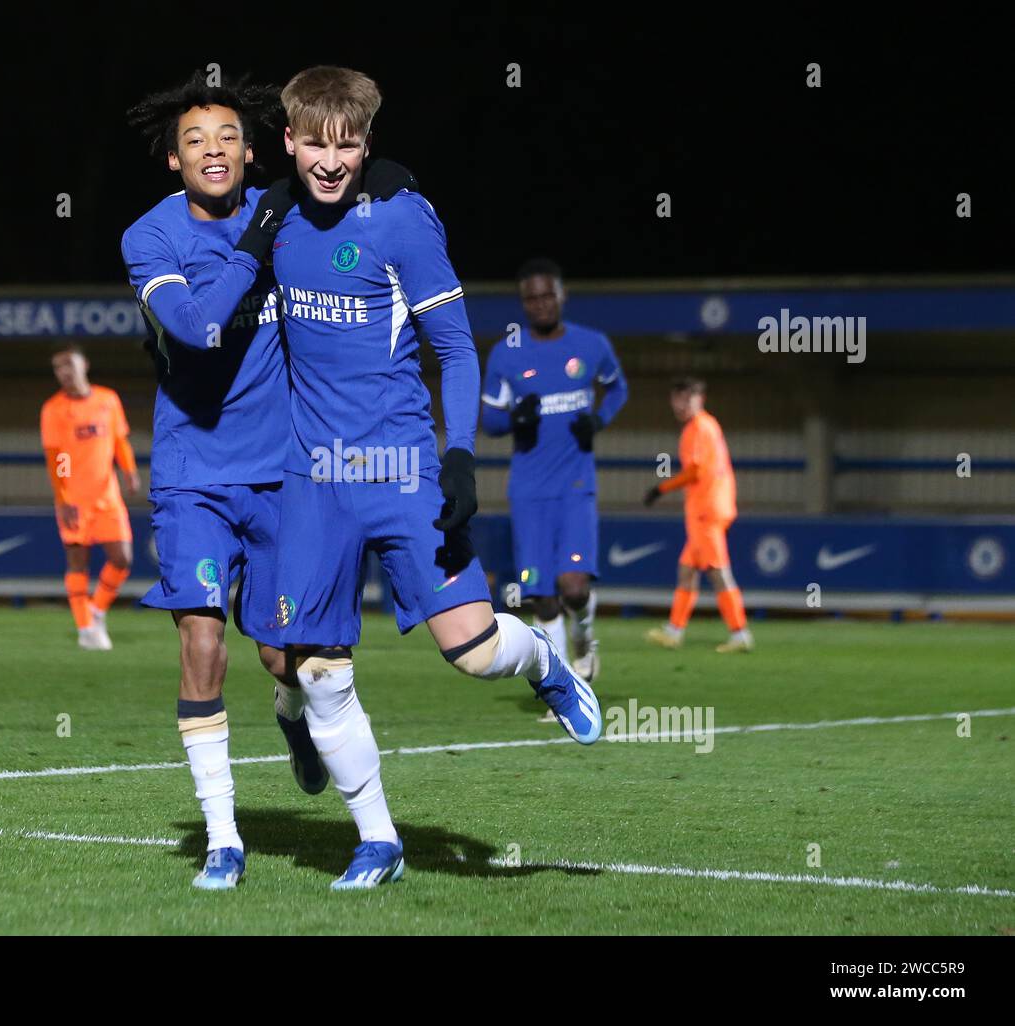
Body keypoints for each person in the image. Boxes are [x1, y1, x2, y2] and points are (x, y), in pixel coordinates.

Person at [270, 66, 602, 891]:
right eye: (314, 142)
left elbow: (454, 350)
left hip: (401, 468)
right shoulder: (267, 218)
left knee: (475, 651)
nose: (329, 161)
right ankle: (378, 840)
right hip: (313, 475)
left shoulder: (403, 222)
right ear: (288, 140)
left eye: (347, 145)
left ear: (368, 145)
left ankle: (546, 665)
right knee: (311, 667)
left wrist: (459, 456)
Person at [121, 71, 413, 889]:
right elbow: (198, 327)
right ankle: (224, 840)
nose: (211, 150)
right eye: (193, 142)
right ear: (174, 163)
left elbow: (358, 194)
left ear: (253, 153)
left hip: (288, 473)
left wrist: (392, 183)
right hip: (195, 477)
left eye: (225, 138)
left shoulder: (292, 215)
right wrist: (257, 243)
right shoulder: (150, 239)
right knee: (203, 643)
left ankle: (293, 718)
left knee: (294, 663)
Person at [481, 257, 627, 682]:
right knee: (542, 596)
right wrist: (515, 420)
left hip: (576, 485)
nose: (541, 304)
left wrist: (599, 419)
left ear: (562, 295)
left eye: (548, 295)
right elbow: (489, 421)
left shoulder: (592, 345)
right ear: (523, 304)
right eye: (532, 298)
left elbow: (618, 387)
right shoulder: (507, 355)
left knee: (574, 587)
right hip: (528, 491)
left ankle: (585, 638)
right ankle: (564, 686)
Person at [642, 377, 753, 653]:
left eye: (687, 399)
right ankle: (673, 631)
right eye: (677, 399)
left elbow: (695, 471)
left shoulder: (698, 428)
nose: (681, 404)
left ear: (699, 400)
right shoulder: (707, 425)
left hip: (707, 510)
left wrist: (661, 488)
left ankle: (740, 633)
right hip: (709, 508)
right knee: (687, 570)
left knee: (717, 571)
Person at [41, 344, 139, 650]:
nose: (64, 372)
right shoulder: (54, 409)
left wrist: (129, 470)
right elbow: (57, 458)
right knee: (77, 563)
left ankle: (96, 609)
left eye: (69, 364)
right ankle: (85, 628)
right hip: (74, 499)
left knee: (122, 559)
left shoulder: (107, 400)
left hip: (107, 496)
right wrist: (63, 496)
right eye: (58, 367)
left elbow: (119, 440)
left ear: (85, 364)